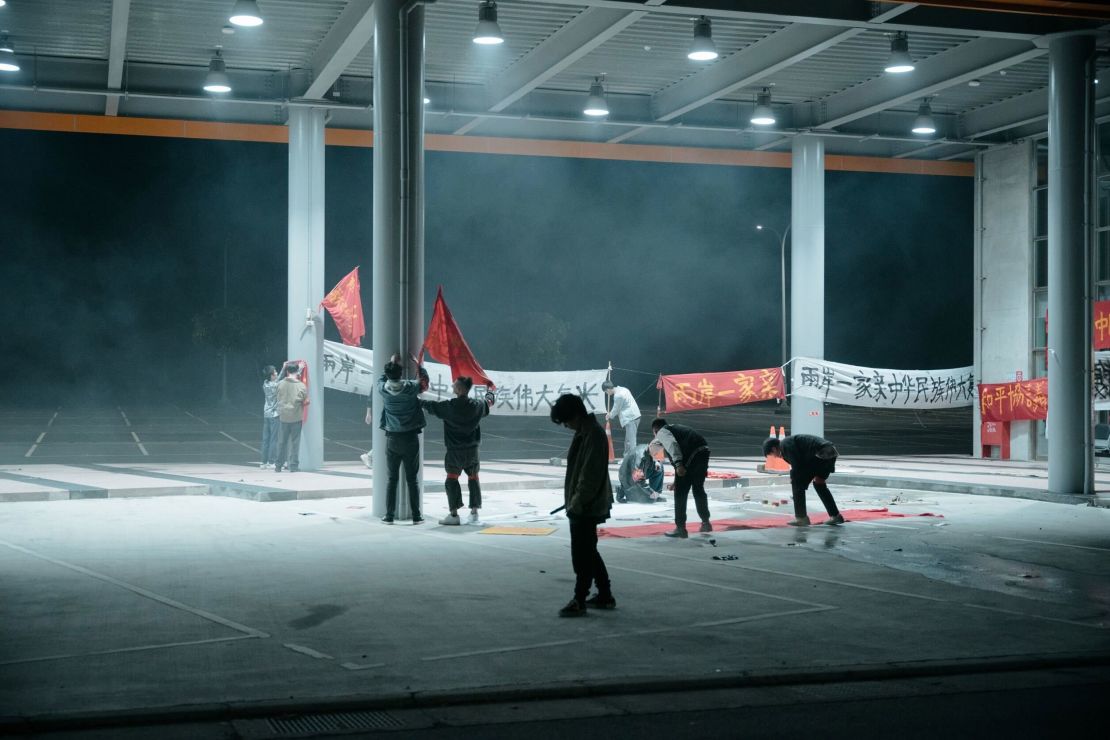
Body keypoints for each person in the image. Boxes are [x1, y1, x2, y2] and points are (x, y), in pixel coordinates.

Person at [550, 393, 615, 617]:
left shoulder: (594, 435)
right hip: (580, 503)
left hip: (586, 506)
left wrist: (576, 504)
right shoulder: (584, 432)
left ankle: (580, 599)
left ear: (576, 415)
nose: (566, 426)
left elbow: (589, 476)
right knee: (589, 551)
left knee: (582, 555)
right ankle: (605, 595)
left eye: (567, 421)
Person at [420, 376, 495, 525]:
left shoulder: (450, 406)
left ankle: (454, 515)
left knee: (452, 479)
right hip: (472, 451)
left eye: (454, 384)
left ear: (460, 389)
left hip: (455, 451)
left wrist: (414, 399)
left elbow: (430, 406)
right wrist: (490, 390)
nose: (452, 385)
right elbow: (489, 402)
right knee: (474, 478)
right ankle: (474, 512)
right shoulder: (477, 405)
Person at [377, 353, 430, 525]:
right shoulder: (410, 387)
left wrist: (392, 362)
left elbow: (381, 378)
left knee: (392, 479)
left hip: (392, 438)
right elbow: (424, 383)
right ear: (401, 374)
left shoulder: (383, 389)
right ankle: (416, 515)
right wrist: (419, 365)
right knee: (412, 479)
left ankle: (389, 515)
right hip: (410, 438)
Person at [762, 434, 844, 527]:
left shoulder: (785, 445)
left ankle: (801, 518)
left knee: (796, 482)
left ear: (773, 449)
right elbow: (800, 464)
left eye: (772, 455)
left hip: (821, 453)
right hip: (829, 452)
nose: (775, 457)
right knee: (819, 483)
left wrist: (797, 483)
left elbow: (797, 466)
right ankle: (835, 516)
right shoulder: (787, 446)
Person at [650, 417, 712, 538]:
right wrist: (676, 480)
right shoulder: (676, 429)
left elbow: (673, 446)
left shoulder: (662, 432)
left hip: (691, 457)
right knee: (698, 489)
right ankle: (706, 523)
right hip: (703, 452)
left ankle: (680, 528)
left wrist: (678, 464)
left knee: (680, 494)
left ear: (655, 430)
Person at [273, 362, 308, 473]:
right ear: (296, 371)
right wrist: (301, 369)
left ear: (287, 371)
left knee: (281, 442)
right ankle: (293, 466)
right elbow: (305, 400)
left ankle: (278, 465)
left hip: (283, 416)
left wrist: (284, 367)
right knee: (295, 443)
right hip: (296, 417)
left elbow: (276, 388)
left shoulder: (280, 384)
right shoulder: (301, 385)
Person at [603, 380, 641, 457]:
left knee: (631, 441)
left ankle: (633, 461)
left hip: (631, 418)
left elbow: (616, 409)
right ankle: (626, 458)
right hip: (634, 416)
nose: (607, 394)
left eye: (606, 392)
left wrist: (609, 415)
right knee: (628, 441)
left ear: (608, 389)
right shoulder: (623, 389)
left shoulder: (618, 396)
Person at [259, 365, 280, 469]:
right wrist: (285, 368)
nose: (277, 373)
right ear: (271, 375)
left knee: (266, 439)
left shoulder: (265, 384)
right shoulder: (275, 385)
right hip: (274, 414)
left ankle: (263, 462)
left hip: (266, 414)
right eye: (275, 372)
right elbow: (281, 379)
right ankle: (272, 462)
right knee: (273, 439)